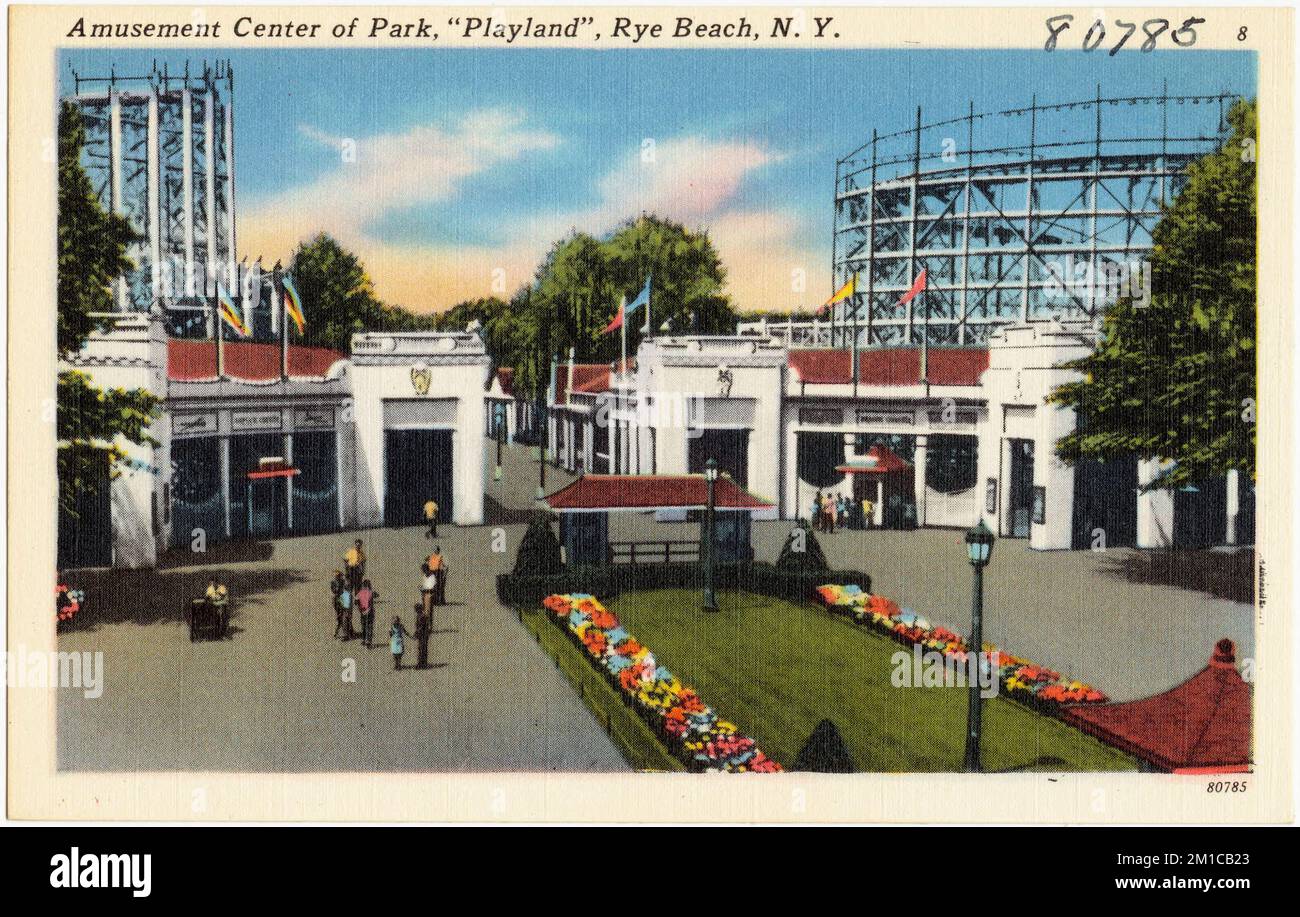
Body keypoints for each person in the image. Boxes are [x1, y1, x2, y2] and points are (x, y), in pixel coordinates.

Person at [356, 579, 376, 648]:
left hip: (362, 612)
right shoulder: (370, 592)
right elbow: (372, 600)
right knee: (369, 627)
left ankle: (364, 640)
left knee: (363, 626)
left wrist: (360, 609)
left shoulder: (359, 593)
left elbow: (356, 602)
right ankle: (369, 641)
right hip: (370, 612)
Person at [330, 571, 347, 637]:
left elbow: (344, 589)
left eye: (338, 576)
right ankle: (339, 632)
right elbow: (334, 590)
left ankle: (338, 632)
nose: (337, 577)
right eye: (337, 576)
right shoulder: (333, 582)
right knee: (340, 617)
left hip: (341, 599)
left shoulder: (342, 581)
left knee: (342, 617)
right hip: (337, 600)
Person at [414, 601, 430, 669]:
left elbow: (421, 626)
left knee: (421, 649)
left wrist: (416, 633)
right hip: (424, 634)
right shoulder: (423, 615)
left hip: (422, 635)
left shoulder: (421, 616)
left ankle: (421, 663)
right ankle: (423, 662)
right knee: (423, 648)